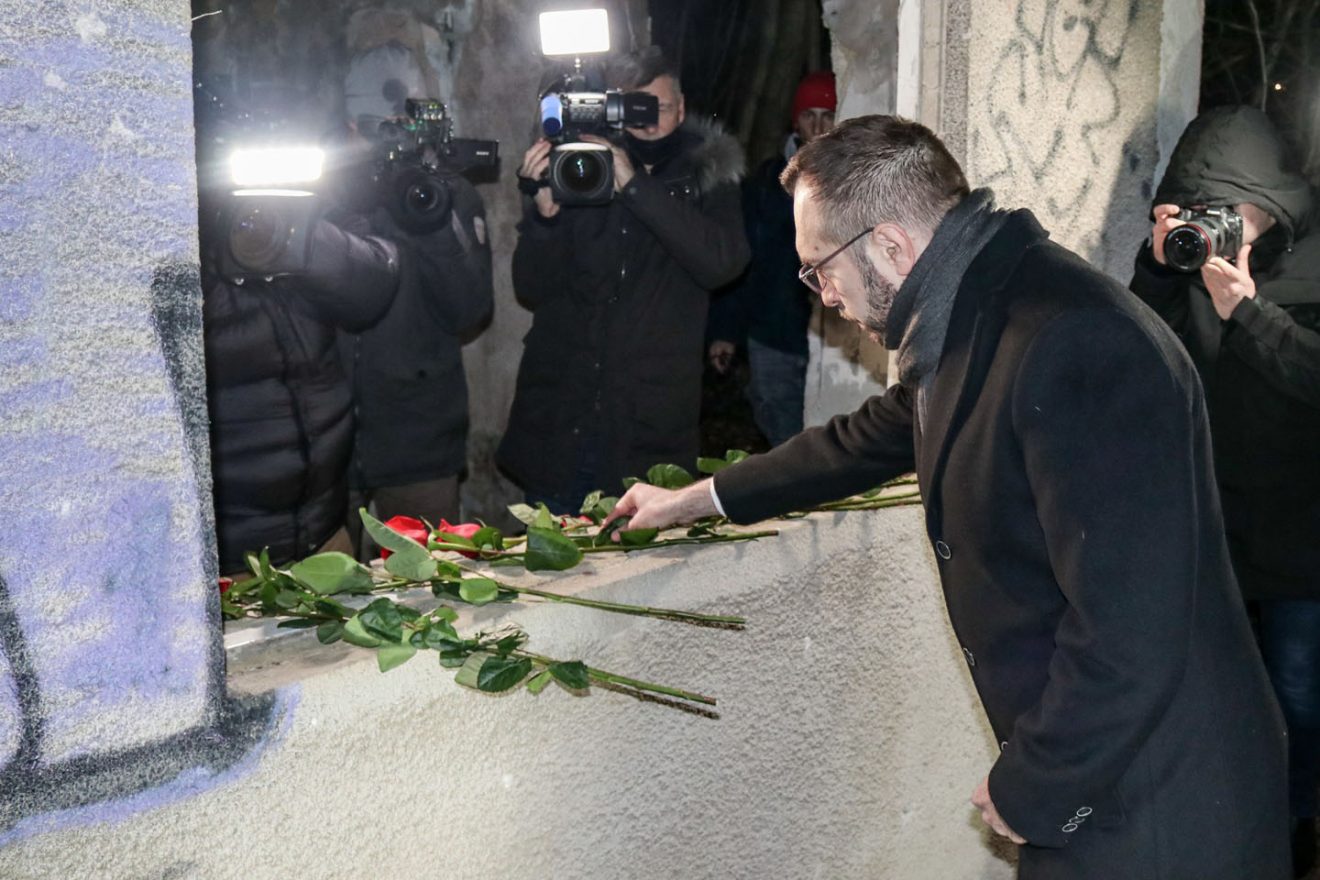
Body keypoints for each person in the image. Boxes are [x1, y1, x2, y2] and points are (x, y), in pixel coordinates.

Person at [604, 114, 1290, 879]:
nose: (819, 292)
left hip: (1160, 808)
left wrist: (1034, 784)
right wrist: (699, 499)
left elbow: (1131, 628)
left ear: (892, 246)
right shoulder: (980, 305)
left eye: (819, 267)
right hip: (1111, 781)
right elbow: (868, 436)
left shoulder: (1077, 343)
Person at [1128, 104, 1320, 878]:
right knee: (1212, 697)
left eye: (1228, 209)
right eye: (1198, 207)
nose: (1217, 226)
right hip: (1215, 524)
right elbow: (1137, 350)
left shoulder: (1304, 268)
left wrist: (1247, 309)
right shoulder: (1185, 260)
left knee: (1300, 696)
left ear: (1270, 203)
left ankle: (1297, 830)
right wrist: (1156, 267)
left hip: (1305, 532)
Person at [498, 47, 750, 513]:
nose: (650, 121)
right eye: (637, 108)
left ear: (683, 105)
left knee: (631, 575)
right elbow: (531, 288)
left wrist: (635, 187)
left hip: (645, 425)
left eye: (661, 107)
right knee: (547, 565)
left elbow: (722, 263)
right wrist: (543, 219)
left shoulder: (708, 175)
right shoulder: (582, 167)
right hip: (563, 417)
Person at [201, 162, 400, 575]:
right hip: (235, 559)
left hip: (325, 530)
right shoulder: (180, 243)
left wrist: (296, 230)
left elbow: (373, 287)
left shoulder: (294, 213)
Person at [338, 40, 494, 553]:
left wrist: (430, 217)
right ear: (350, 128)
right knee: (326, 605)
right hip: (328, 445)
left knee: (428, 592)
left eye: (400, 125)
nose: (387, 140)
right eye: (372, 127)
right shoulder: (324, 195)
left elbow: (470, 310)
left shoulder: (446, 195)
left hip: (420, 441)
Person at [707, 71, 836, 446]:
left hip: (832, 338)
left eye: (826, 114)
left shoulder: (851, 181)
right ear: (795, 121)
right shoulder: (766, 183)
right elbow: (743, 258)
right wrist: (725, 332)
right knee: (781, 433)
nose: (817, 124)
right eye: (808, 114)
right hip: (772, 333)